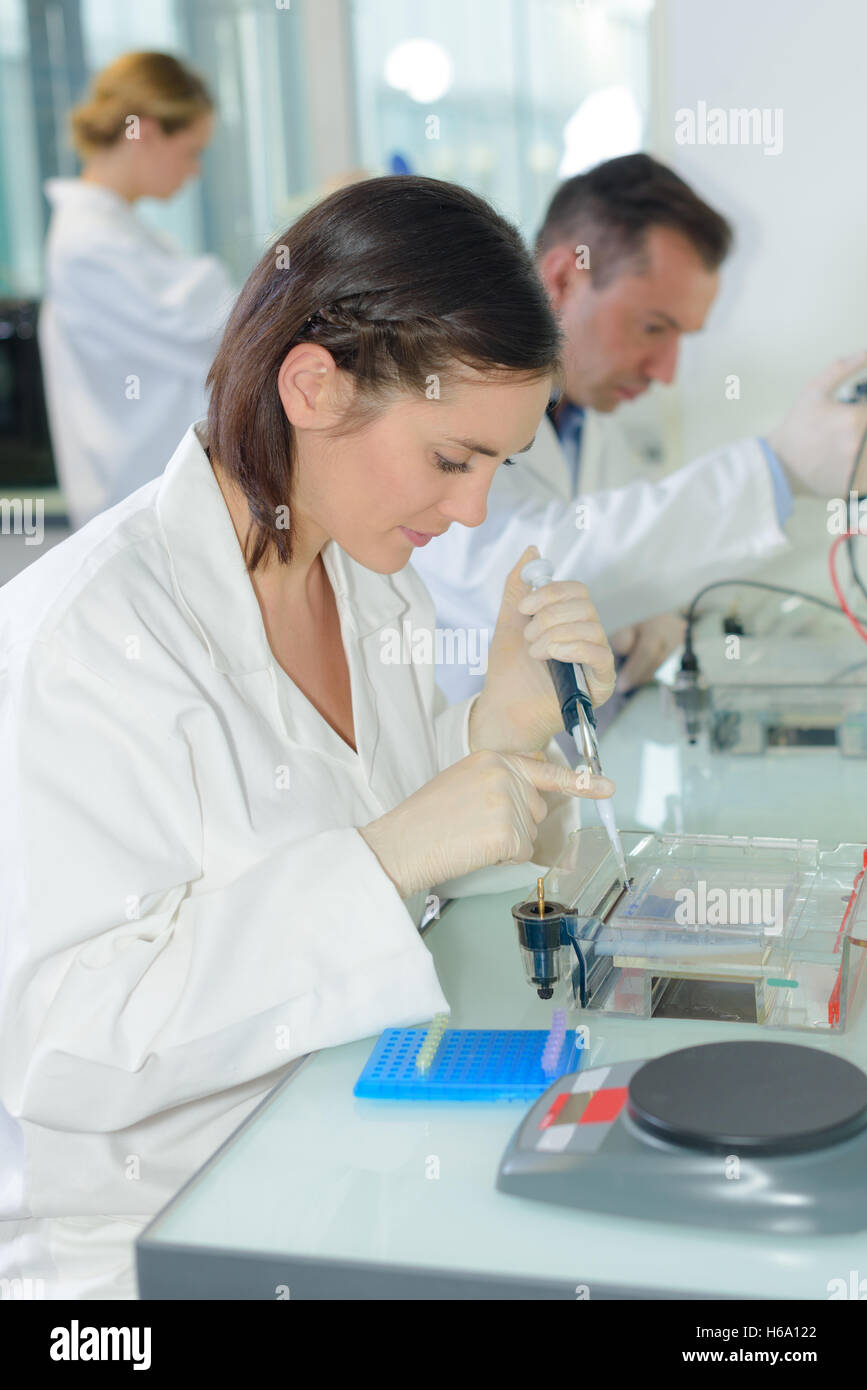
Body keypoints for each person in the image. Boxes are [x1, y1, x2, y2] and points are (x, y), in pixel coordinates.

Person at [0, 176, 616, 1299]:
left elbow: (424, 866)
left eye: (499, 464)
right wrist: (384, 860)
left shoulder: (368, 582)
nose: (474, 511)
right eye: (451, 458)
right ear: (314, 387)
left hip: (340, 1169)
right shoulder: (89, 636)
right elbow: (66, 1047)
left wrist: (506, 725)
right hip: (147, 1253)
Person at [411, 154, 867, 704]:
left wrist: (652, 608)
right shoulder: (444, 399)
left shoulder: (590, 429)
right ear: (561, 279)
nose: (666, 371)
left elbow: (622, 549)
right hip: (443, 767)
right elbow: (516, 579)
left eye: (681, 338)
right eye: (653, 327)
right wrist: (780, 467)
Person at [38, 51, 235, 530]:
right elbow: (220, 330)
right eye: (192, 151)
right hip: (142, 507)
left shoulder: (119, 233)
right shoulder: (92, 243)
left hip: (163, 502)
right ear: (143, 131)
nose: (195, 172)